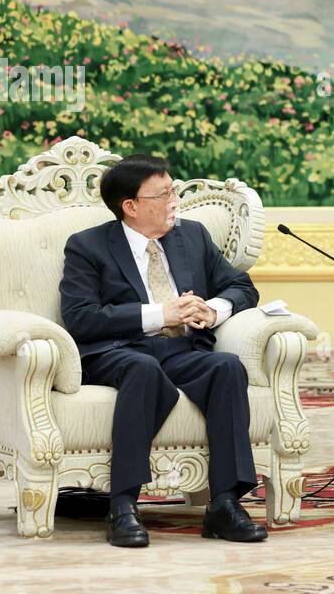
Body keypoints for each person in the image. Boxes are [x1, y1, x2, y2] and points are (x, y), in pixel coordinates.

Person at [59, 154, 266, 547]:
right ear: (131, 206)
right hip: (117, 351)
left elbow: (242, 287)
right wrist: (160, 313)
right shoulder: (88, 246)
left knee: (227, 367)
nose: (175, 201)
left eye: (174, 190)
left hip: (181, 349)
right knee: (142, 369)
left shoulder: (192, 236)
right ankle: (122, 506)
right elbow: (81, 317)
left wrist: (212, 309)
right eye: (164, 194)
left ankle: (224, 504)